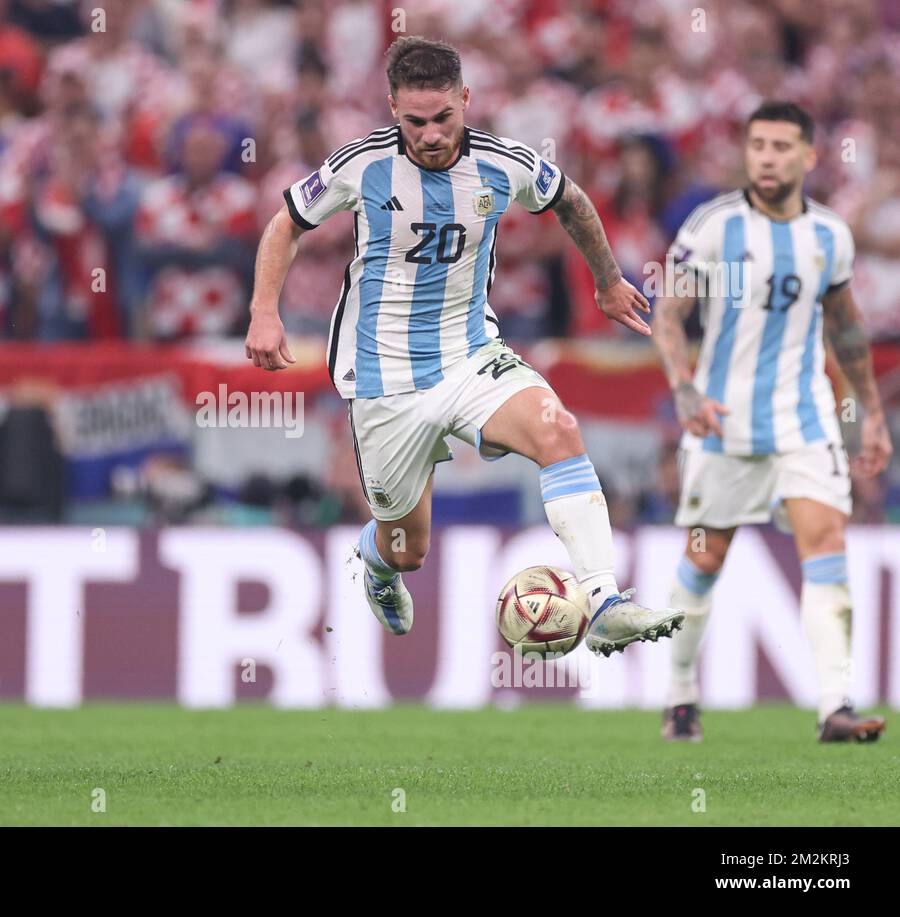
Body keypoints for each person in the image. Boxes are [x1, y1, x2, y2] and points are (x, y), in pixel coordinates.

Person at [244, 36, 684, 655]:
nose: (429, 135)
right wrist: (265, 310)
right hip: (383, 377)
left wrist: (608, 281)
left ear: (466, 101)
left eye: (443, 118)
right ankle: (377, 561)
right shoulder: (361, 164)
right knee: (408, 546)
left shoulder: (505, 164)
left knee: (557, 428)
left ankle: (604, 599)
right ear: (393, 106)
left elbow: (573, 202)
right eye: (414, 121)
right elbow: (286, 221)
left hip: (471, 353)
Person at [652, 101, 892, 743]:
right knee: (704, 560)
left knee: (826, 541)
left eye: (782, 146)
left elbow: (844, 326)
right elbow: (669, 315)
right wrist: (682, 388)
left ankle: (834, 706)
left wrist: (870, 413)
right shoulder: (714, 227)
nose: (767, 156)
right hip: (721, 422)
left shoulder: (828, 236)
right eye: (758, 144)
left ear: (810, 157)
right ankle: (680, 695)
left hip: (805, 421)